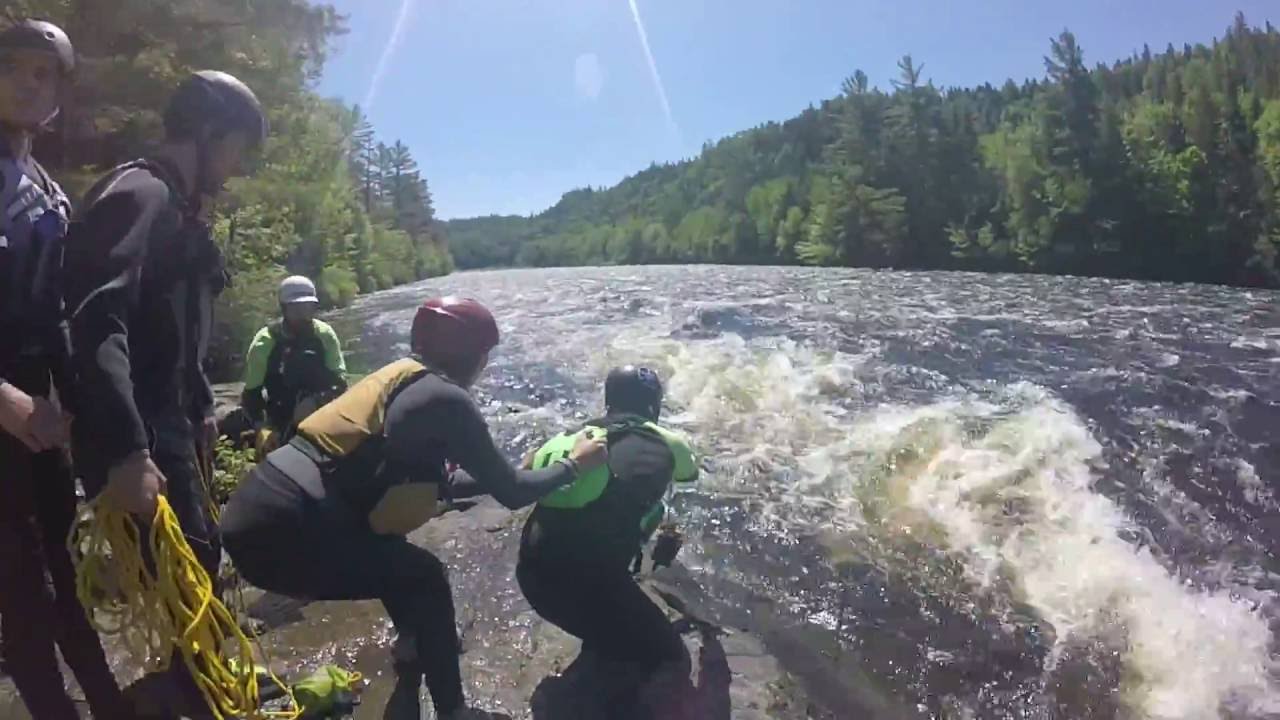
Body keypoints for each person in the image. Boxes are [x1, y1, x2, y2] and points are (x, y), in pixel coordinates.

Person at [220, 296, 609, 720]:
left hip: (254, 511)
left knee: (390, 551)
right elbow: (512, 493)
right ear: (471, 355)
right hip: (289, 530)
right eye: (484, 355)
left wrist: (505, 472)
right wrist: (576, 464)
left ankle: (411, 644)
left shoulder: (402, 379)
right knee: (425, 576)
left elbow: (436, 484)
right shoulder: (449, 399)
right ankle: (454, 710)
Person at [62, 69, 267, 719]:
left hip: (171, 419)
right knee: (191, 566)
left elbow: (175, 326)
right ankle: (197, 695)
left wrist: (203, 404)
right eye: (235, 148)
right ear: (208, 134)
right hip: (138, 427)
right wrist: (126, 450)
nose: (235, 169)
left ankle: (199, 683)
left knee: (200, 559)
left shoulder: (176, 209)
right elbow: (96, 319)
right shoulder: (140, 193)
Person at [0, 19, 134, 720]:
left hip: (40, 411)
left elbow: (54, 313)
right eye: (14, 66)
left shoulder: (44, 187)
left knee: (68, 576)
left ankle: (107, 707)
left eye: (43, 73)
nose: (28, 81)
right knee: (23, 594)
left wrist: (87, 411)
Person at [513, 366, 698, 715]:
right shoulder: (669, 442)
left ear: (609, 401)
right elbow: (690, 474)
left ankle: (605, 634)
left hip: (532, 581)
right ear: (654, 405)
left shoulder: (572, 436)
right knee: (669, 654)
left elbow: (525, 471)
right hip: (589, 592)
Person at [241, 274, 346, 449]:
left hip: (321, 411)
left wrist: (316, 401)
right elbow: (252, 393)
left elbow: (340, 383)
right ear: (284, 309)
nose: (303, 316)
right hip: (280, 416)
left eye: (308, 308)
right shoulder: (265, 341)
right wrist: (261, 427)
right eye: (297, 310)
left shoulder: (324, 334)